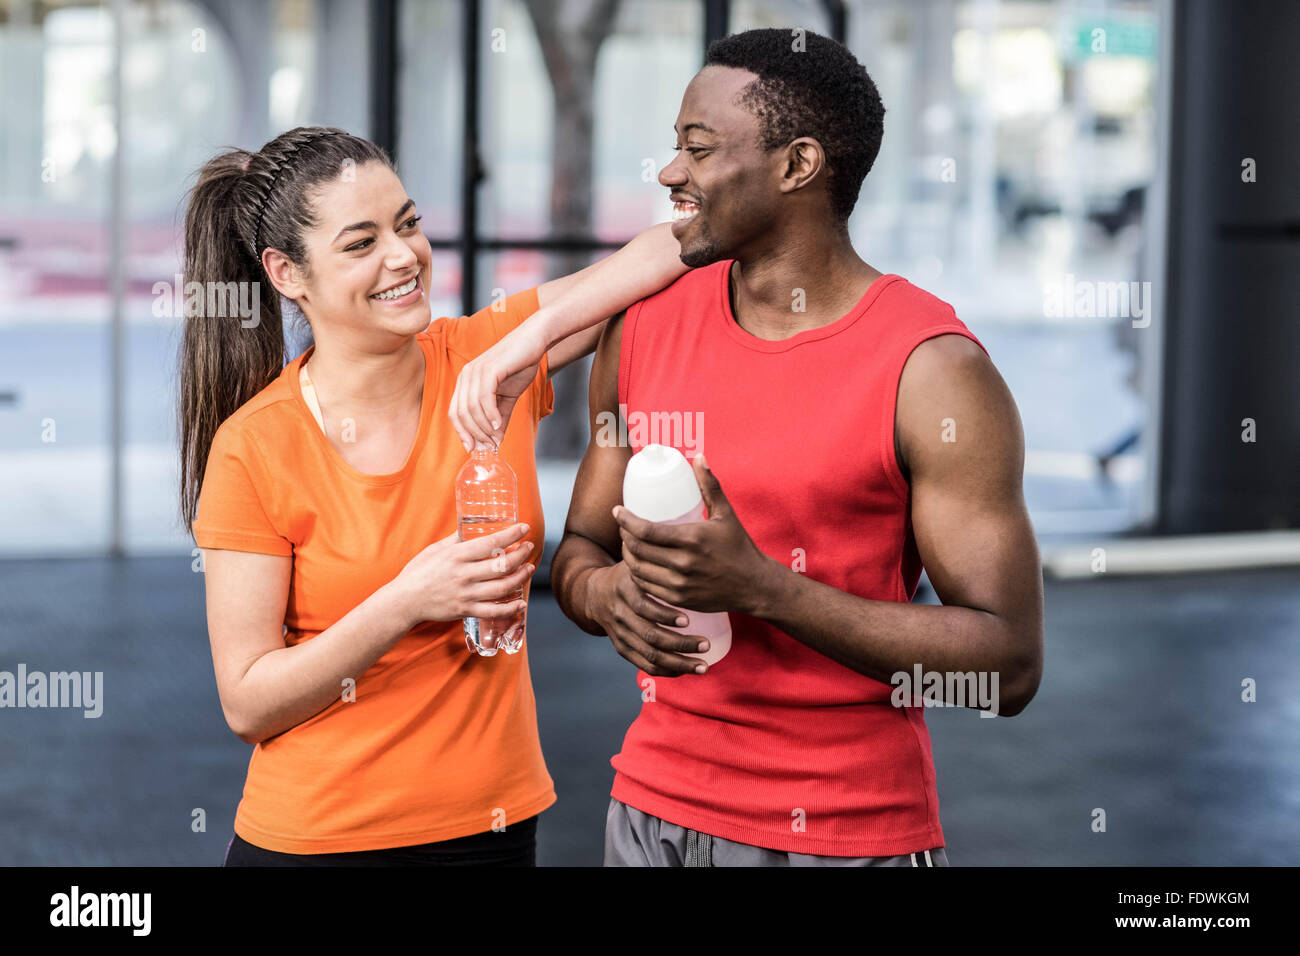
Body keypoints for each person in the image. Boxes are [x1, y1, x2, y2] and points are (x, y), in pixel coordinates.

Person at [453, 29, 1044, 867]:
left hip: (845, 834)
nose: (669, 173)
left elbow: (1008, 671)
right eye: (674, 147)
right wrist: (607, 595)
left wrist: (767, 590)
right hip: (649, 816)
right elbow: (582, 548)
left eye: (697, 149)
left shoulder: (933, 371)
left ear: (797, 166)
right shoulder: (645, 325)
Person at [179, 126, 688, 866]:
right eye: (360, 243)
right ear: (286, 273)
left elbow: (672, 246)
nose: (402, 256)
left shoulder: (485, 362)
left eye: (408, 224)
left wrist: (534, 335)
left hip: (492, 828)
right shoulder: (256, 446)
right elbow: (249, 701)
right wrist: (410, 599)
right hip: (317, 840)